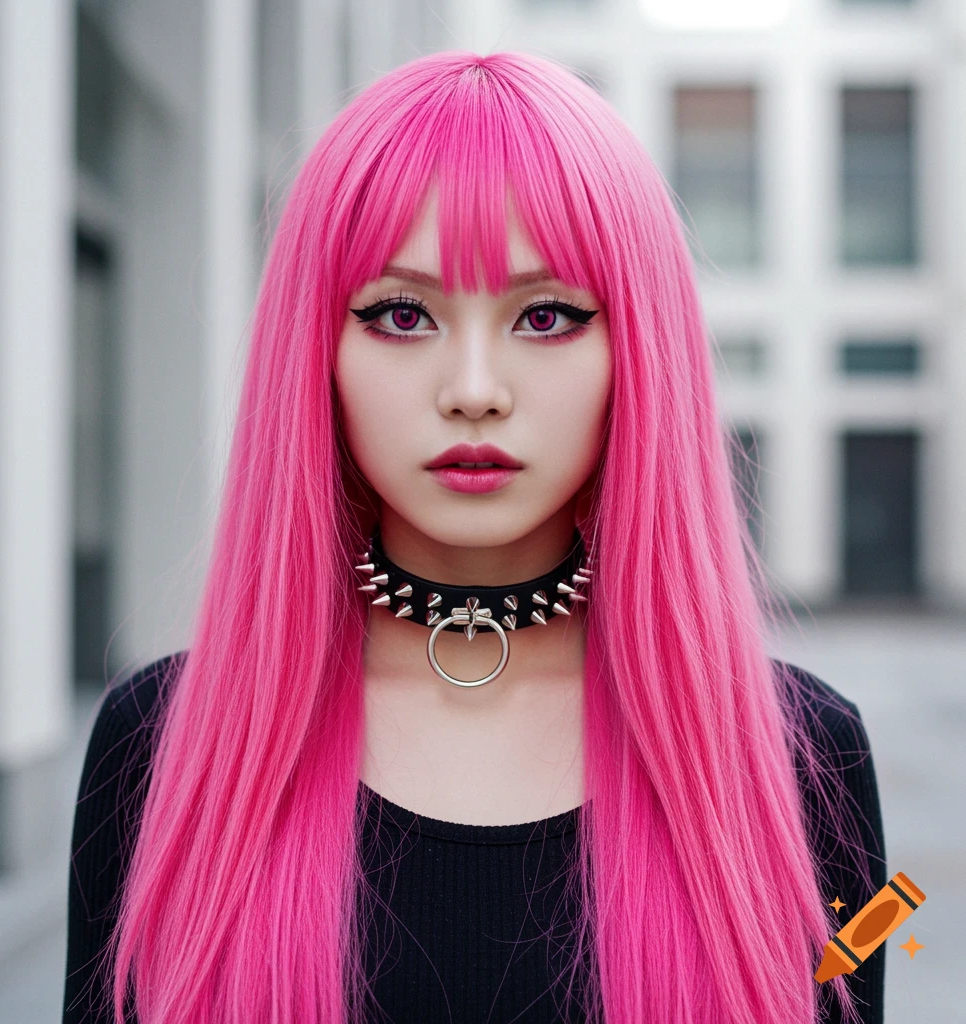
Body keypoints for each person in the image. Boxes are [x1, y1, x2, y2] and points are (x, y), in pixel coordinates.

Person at [62, 50, 886, 1024]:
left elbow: (858, 969)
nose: (474, 388)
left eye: (546, 315)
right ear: (315, 349)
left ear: (637, 349)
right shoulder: (161, 749)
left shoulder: (805, 763)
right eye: (401, 313)